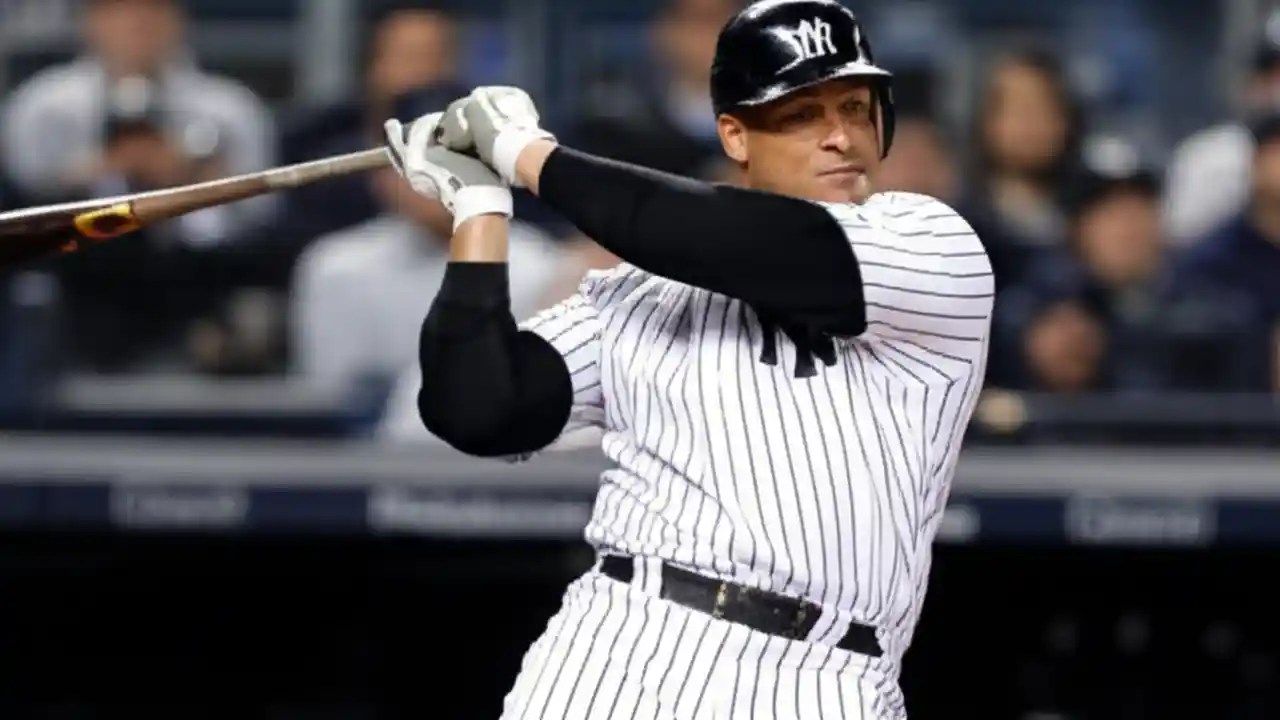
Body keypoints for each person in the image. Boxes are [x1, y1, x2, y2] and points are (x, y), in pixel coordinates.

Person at [385, 1, 992, 717]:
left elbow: (735, 237)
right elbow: (480, 409)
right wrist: (481, 208)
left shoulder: (929, 245)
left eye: (856, 109)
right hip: (616, 652)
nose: (840, 137)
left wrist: (527, 155)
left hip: (824, 676)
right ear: (735, 134)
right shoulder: (638, 291)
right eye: (802, 114)